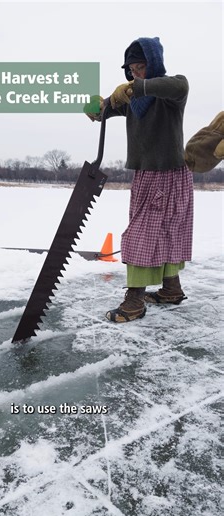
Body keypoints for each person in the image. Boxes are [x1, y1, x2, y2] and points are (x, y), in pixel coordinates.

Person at [85, 37, 193, 323]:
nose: (135, 73)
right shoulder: (135, 101)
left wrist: (133, 88)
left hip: (168, 173)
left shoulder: (172, 90)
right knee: (164, 232)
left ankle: (134, 301)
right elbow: (106, 109)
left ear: (154, 63)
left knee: (141, 235)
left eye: (141, 67)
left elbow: (177, 86)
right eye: (131, 69)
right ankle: (171, 289)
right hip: (148, 174)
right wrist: (97, 107)